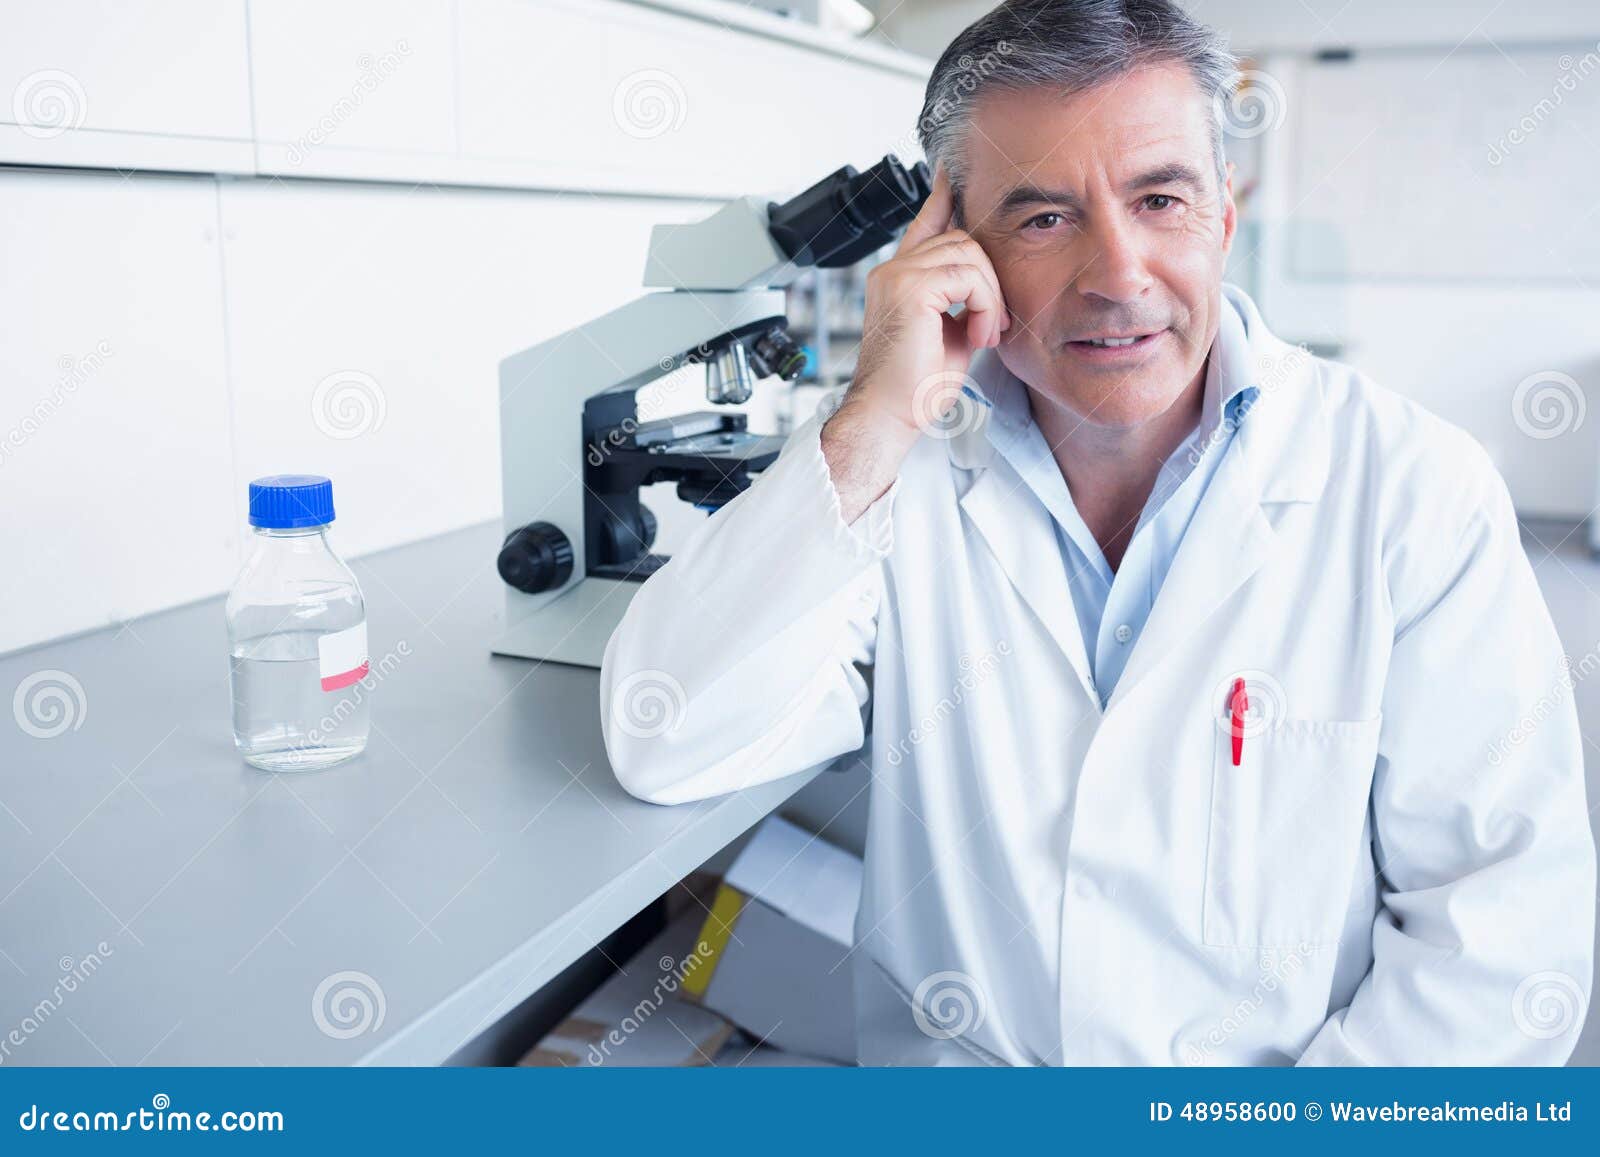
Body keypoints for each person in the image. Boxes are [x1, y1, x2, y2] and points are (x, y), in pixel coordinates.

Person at [600, 0, 1595, 1065]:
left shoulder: (1410, 487)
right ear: (951, 246)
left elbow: (1501, 932)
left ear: (1224, 215)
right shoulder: (897, 469)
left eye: (1160, 198)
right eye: (1041, 218)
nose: (1118, 275)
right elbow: (671, 738)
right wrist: (874, 415)